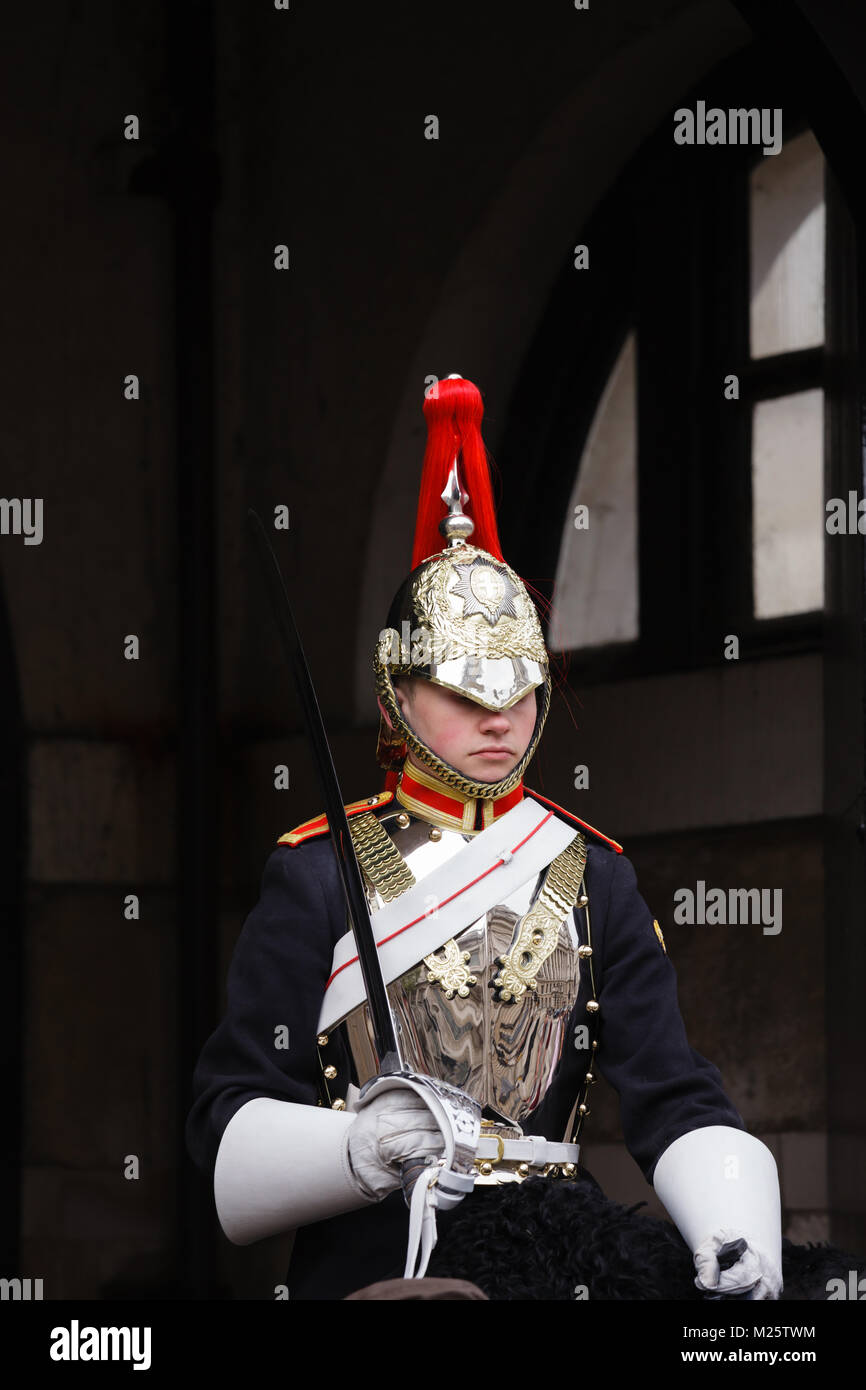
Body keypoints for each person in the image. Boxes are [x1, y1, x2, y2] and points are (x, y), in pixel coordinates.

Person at [186, 375, 782, 1301]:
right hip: (378, 1255)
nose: (500, 718)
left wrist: (732, 1228)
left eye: (519, 690)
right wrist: (358, 1145)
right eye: (466, 691)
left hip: (557, 1259)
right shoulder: (316, 873)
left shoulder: (591, 872)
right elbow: (226, 1116)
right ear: (399, 694)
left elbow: (673, 1094)